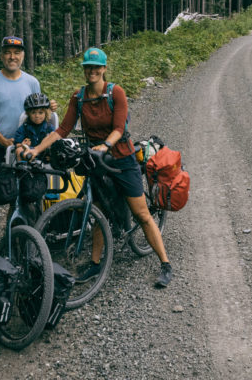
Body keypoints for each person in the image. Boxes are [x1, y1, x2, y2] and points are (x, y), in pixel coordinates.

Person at [25, 47, 173, 288]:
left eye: (96, 67)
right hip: (95, 160)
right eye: (88, 67)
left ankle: (165, 264)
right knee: (96, 211)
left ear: (104, 69)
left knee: (142, 214)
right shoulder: (78, 97)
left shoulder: (116, 93)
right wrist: (36, 150)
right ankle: (95, 264)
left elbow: (119, 129)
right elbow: (62, 130)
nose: (92, 71)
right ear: (84, 70)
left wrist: (105, 146)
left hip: (121, 158)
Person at [0, 36, 55, 251]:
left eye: (17, 52)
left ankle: (22, 245)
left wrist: (51, 108)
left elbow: (39, 110)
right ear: (1, 55)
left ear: (23, 56)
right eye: (8, 52)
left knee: (24, 196)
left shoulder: (31, 82)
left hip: (26, 149)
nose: (13, 56)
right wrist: (3, 140)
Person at [14, 92, 57, 160]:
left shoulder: (49, 127)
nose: (37, 116)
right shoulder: (24, 127)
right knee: (19, 150)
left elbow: (55, 140)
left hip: (45, 155)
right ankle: (21, 169)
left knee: (53, 140)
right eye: (33, 113)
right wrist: (23, 144)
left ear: (46, 113)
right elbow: (16, 144)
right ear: (28, 114)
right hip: (28, 155)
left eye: (40, 113)